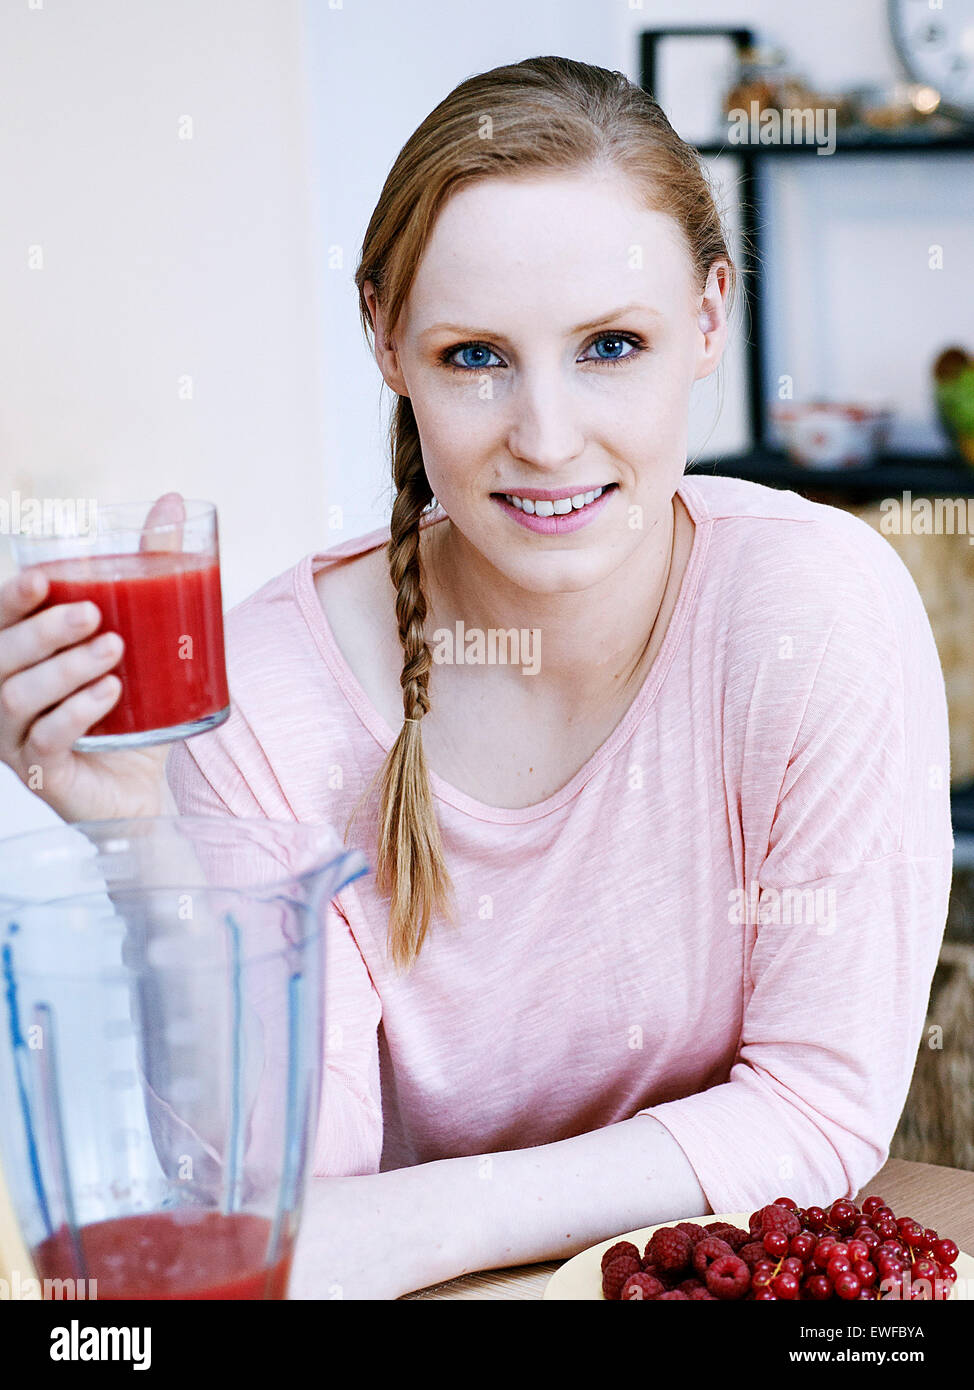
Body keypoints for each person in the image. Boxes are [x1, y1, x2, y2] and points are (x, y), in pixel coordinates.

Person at [0, 56, 953, 1300]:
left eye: (611, 344)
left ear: (710, 317)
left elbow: (817, 1106)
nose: (547, 435)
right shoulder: (264, 691)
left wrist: (412, 1228)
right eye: (473, 357)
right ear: (386, 340)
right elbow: (278, 1191)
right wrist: (147, 845)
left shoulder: (813, 612)